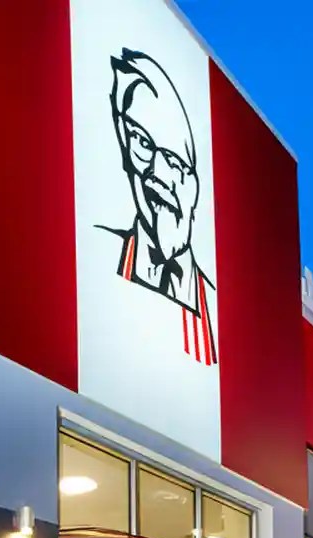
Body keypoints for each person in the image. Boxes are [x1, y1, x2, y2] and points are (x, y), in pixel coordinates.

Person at [101, 48, 217, 364]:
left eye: (175, 161)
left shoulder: (221, 309)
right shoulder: (97, 259)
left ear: (196, 188)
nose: (157, 174)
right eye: (142, 143)